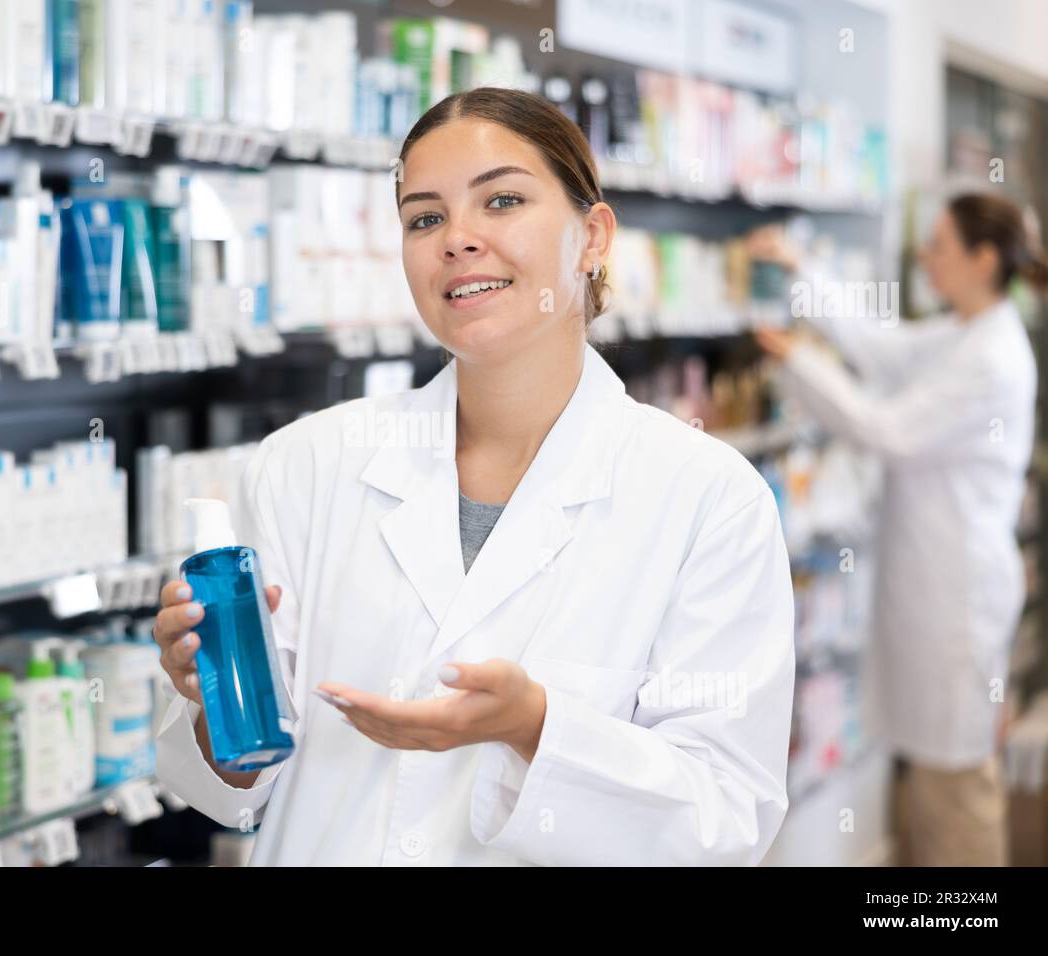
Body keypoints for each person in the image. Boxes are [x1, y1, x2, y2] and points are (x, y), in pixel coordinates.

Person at [152, 87, 795, 866]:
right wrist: (209, 698)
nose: (458, 239)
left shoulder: (707, 498)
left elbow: (727, 819)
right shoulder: (305, 464)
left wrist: (535, 727)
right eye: (425, 217)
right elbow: (229, 785)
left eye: (502, 201)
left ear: (592, 236)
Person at [753, 194, 1048, 866]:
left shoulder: (993, 355)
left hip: (960, 594)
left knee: (958, 784)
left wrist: (796, 360)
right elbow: (884, 350)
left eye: (939, 245)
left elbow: (889, 431)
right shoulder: (964, 332)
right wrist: (802, 270)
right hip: (931, 585)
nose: (925, 257)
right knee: (928, 779)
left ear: (983, 259)